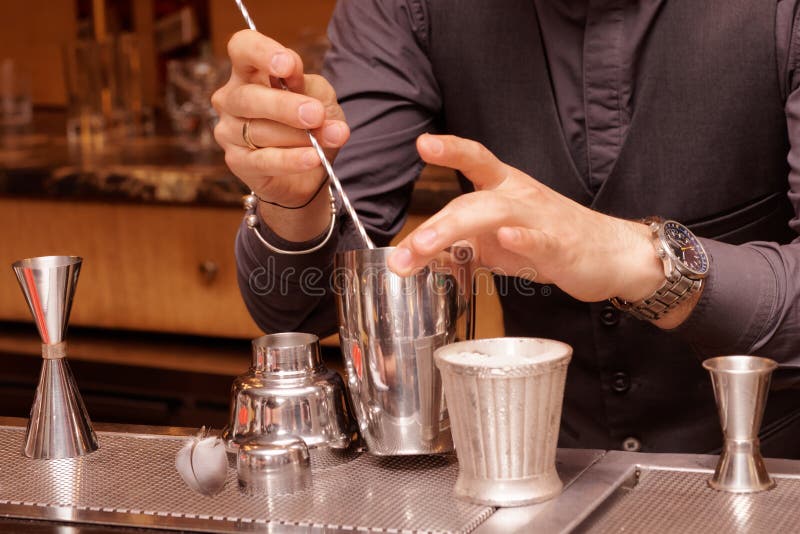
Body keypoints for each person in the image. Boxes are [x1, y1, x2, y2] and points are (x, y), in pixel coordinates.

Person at [213, 0, 800, 457]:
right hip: (540, 474)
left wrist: (640, 259)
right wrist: (295, 201)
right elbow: (296, 312)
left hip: (771, 475)